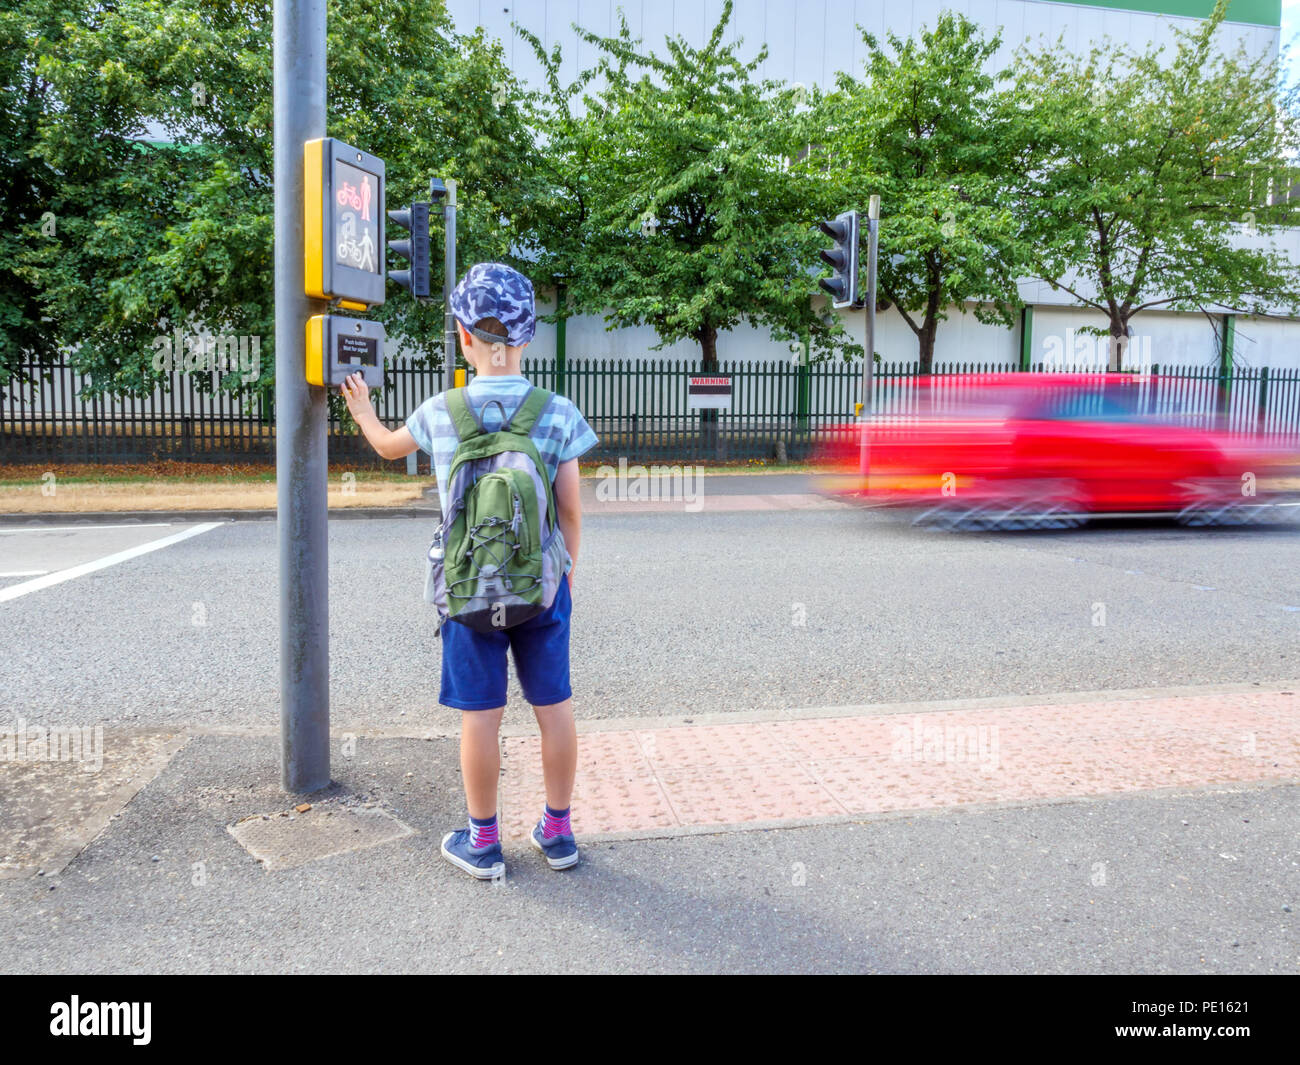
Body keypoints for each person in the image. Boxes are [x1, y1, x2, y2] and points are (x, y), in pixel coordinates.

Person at [340, 262, 598, 880]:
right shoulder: (556, 411)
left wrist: (363, 411)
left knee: (480, 715)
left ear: (463, 336)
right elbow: (569, 510)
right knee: (553, 705)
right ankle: (558, 835)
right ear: (527, 336)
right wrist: (565, 572)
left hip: (467, 588)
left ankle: (483, 843)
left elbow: (384, 446)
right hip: (541, 586)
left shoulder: (441, 410)